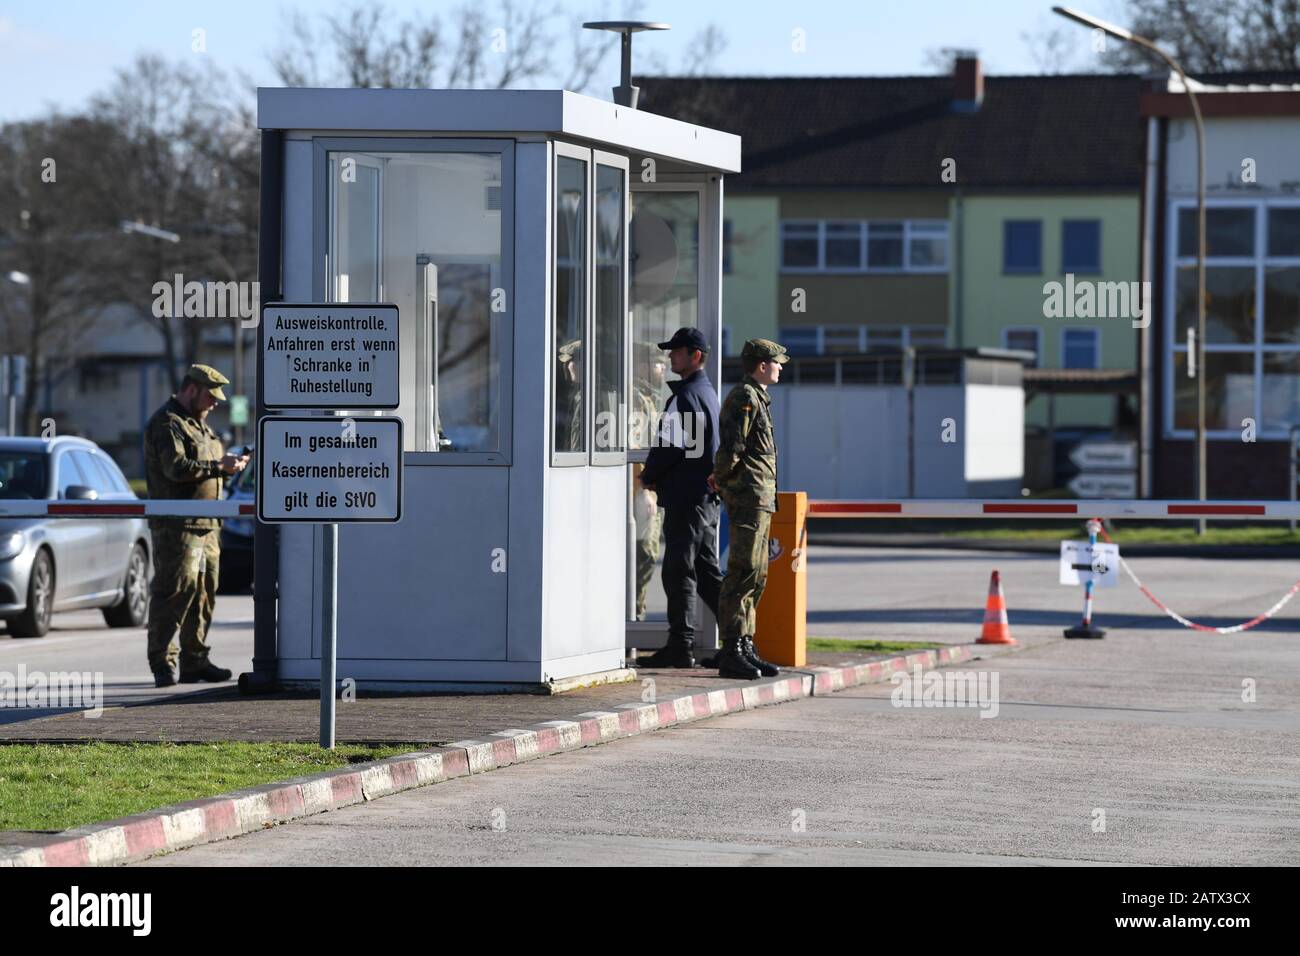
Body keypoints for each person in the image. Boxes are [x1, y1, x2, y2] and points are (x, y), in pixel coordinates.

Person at [143, 364, 249, 687]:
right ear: (191, 389)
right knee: (174, 592)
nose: (216, 403)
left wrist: (231, 465)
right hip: (178, 526)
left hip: (208, 524)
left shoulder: (202, 426)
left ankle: (195, 660)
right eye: (210, 396)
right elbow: (175, 468)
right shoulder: (168, 423)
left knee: (204, 593)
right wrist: (220, 466)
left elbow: (206, 466)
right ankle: (163, 661)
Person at [638, 328, 722, 668]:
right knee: (705, 572)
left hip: (686, 499)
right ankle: (739, 640)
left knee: (678, 571)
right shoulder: (707, 393)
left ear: (695, 356)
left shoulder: (685, 397)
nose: (670, 357)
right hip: (702, 498)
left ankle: (680, 646)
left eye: (676, 351)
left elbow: (670, 446)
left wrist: (648, 476)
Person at [709, 338, 788, 680]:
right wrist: (721, 477)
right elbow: (733, 447)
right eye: (776, 362)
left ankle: (745, 643)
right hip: (747, 496)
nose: (780, 367)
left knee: (757, 574)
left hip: (760, 496)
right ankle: (731, 648)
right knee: (741, 572)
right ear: (761, 365)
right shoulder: (744, 396)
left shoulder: (757, 396)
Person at [631, 344, 666, 620]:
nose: (662, 369)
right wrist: (644, 490)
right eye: (657, 364)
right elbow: (636, 447)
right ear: (643, 366)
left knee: (646, 553)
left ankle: (636, 610)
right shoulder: (636, 399)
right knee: (644, 552)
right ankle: (634, 613)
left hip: (649, 489)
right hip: (642, 492)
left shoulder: (650, 397)